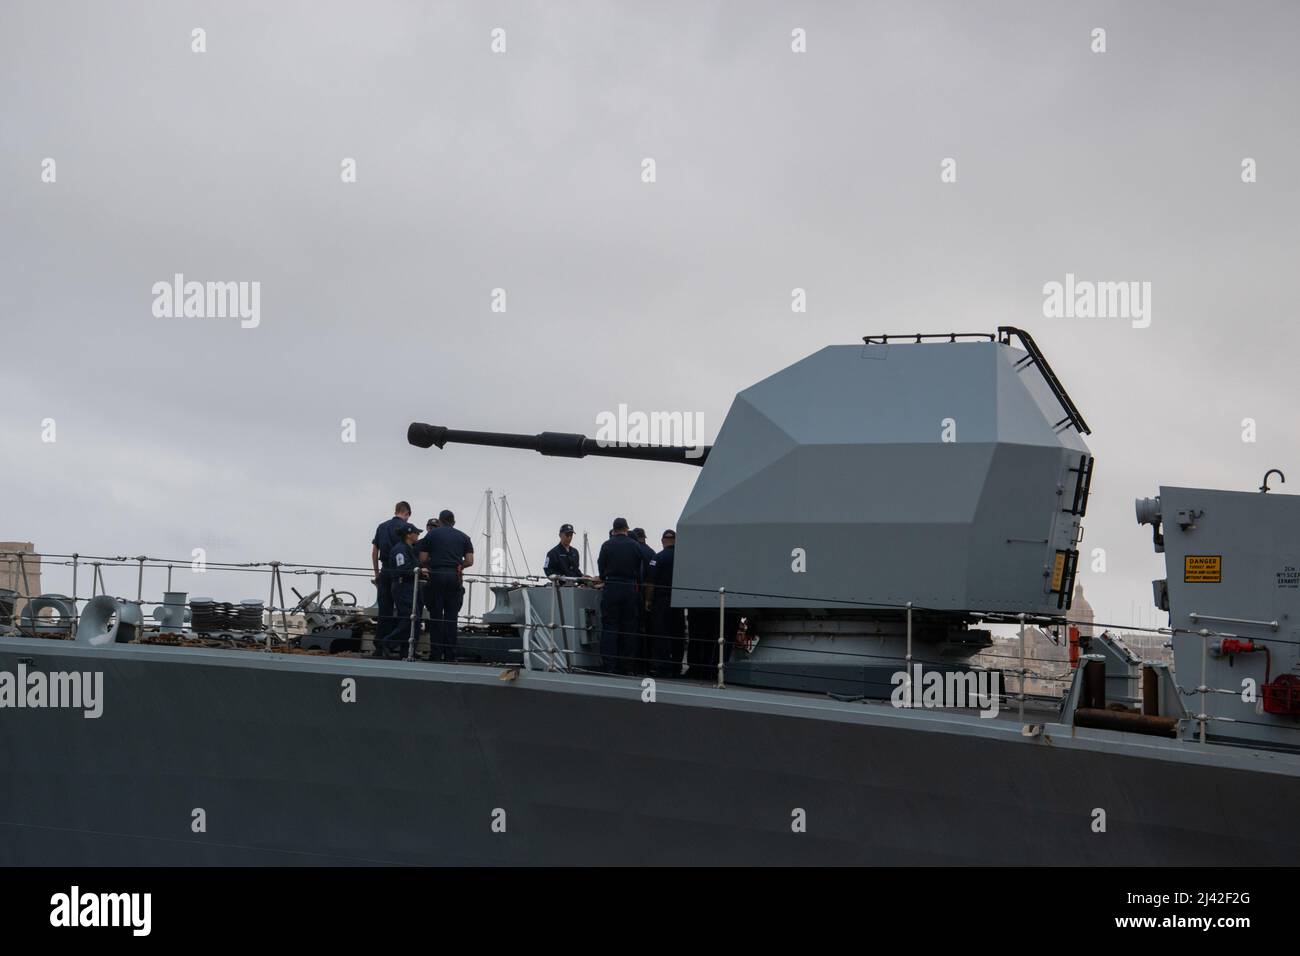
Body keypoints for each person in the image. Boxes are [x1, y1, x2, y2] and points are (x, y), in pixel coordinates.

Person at [418, 509, 475, 661]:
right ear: (453, 522)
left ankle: (436, 653)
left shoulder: (431, 535)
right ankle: (450, 654)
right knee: (451, 617)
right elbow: (469, 560)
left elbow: (423, 558)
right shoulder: (464, 537)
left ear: (440, 521)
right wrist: (459, 566)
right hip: (454, 576)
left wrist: (434, 563)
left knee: (436, 616)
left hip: (436, 575)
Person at [597, 517, 643, 674]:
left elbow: (601, 568)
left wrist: (605, 578)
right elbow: (639, 569)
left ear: (614, 529)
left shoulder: (607, 545)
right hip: (630, 587)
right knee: (629, 628)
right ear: (626, 529)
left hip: (612, 586)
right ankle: (627, 667)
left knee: (610, 626)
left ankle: (609, 666)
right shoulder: (635, 546)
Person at [370, 501, 412, 658]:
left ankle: (379, 648)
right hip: (401, 573)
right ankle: (402, 649)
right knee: (404, 612)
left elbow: (374, 552)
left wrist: (376, 574)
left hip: (384, 570)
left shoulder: (381, 527)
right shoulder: (406, 528)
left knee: (384, 611)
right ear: (406, 513)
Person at [646, 529, 683, 676]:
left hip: (662, 600)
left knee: (662, 633)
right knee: (677, 634)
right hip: (679, 600)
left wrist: (648, 600)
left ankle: (663, 667)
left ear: (662, 541)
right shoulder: (683, 558)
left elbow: (650, 582)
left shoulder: (658, 558)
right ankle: (677, 666)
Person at [387, 522, 423, 659]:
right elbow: (402, 568)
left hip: (408, 586)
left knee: (412, 619)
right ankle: (388, 643)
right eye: (416, 533)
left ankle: (407, 650)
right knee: (409, 619)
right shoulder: (400, 550)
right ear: (409, 534)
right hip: (403, 587)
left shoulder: (408, 549)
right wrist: (419, 570)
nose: (418, 535)